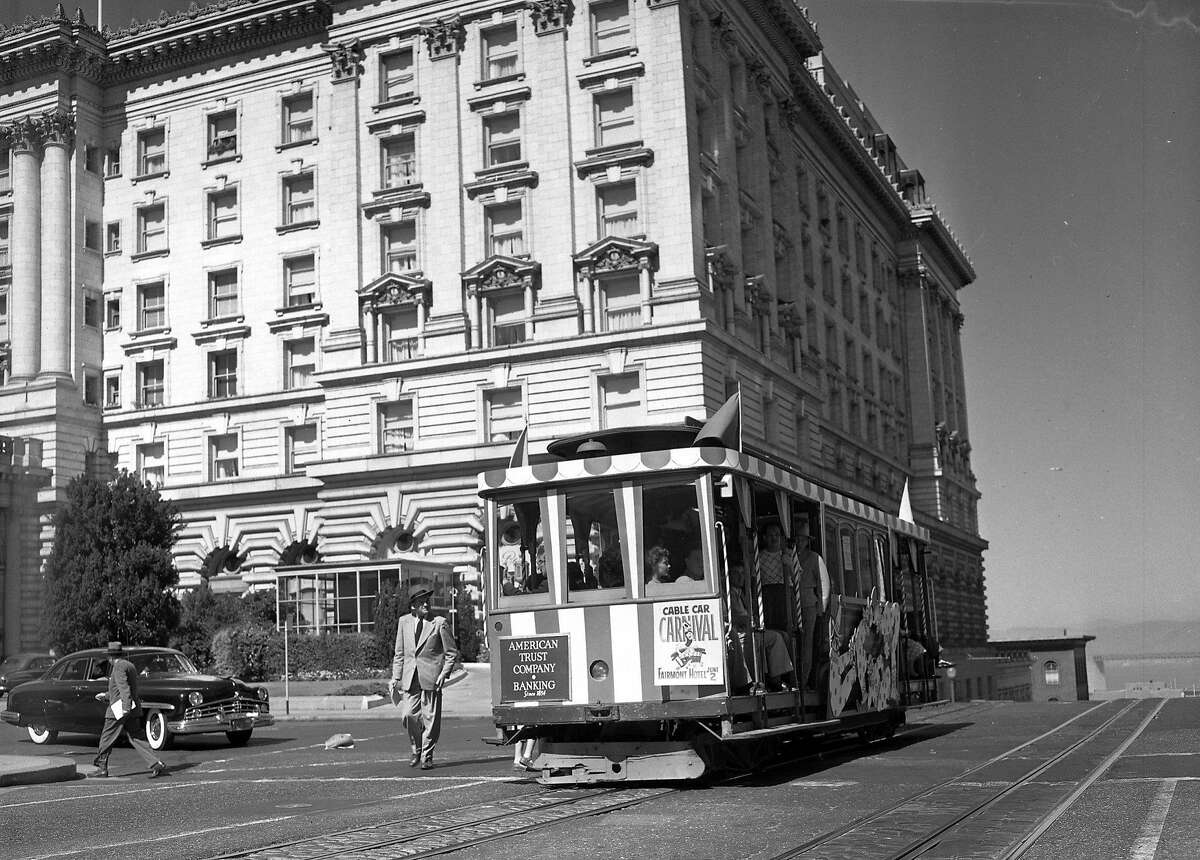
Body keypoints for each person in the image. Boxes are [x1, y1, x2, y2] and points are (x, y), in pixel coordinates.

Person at [389, 588, 460, 770]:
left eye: (427, 601)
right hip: (409, 677)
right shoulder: (404, 622)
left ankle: (426, 756)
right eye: (421, 602)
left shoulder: (439, 623)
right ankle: (416, 748)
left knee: (430, 719)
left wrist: (444, 673)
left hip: (431, 678)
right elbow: (399, 654)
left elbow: (451, 653)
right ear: (413, 606)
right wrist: (395, 677)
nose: (426, 604)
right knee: (408, 715)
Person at [93, 642, 168, 779]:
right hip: (131, 708)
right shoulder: (129, 665)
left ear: (110, 657)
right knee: (136, 737)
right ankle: (155, 762)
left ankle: (102, 768)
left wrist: (125, 708)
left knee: (106, 737)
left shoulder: (118, 667)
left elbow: (124, 688)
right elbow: (124, 688)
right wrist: (106, 696)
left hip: (119, 710)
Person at [726, 561, 794, 692]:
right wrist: (748, 619)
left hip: (749, 629)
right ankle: (772, 681)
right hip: (738, 632)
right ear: (728, 575)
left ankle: (778, 677)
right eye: (736, 573)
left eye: (742, 573)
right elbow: (732, 617)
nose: (741, 577)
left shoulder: (743, 593)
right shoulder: (727, 594)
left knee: (784, 635)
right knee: (773, 638)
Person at [794, 520, 831, 689]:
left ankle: (803, 679)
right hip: (790, 604)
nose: (799, 542)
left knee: (806, 643)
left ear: (808, 541)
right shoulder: (788, 554)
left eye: (802, 539)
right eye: (797, 538)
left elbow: (824, 584)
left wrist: (821, 608)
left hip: (808, 605)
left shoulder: (815, 558)